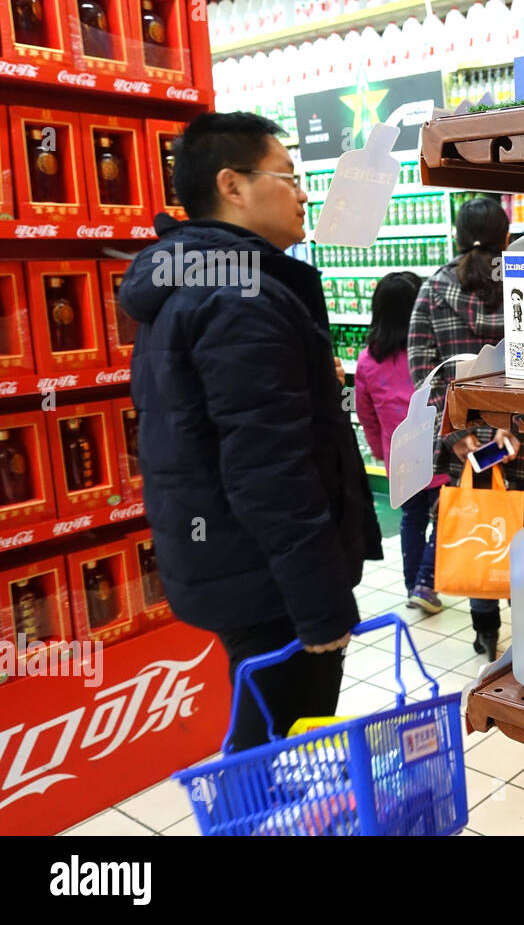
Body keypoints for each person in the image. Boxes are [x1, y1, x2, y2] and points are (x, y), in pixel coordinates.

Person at [118, 112, 382, 753]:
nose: (302, 194)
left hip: (236, 564)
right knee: (280, 743)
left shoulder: (200, 282)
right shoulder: (240, 299)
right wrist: (320, 605)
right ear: (233, 185)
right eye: (288, 177)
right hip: (267, 579)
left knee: (273, 729)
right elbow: (269, 469)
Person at [407, 198, 524, 661]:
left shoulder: (432, 290)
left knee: (480, 533)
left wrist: (458, 434)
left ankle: (485, 634)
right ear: (506, 238)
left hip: (466, 448)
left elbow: (422, 372)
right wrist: (511, 423)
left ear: (455, 233)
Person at [354, 271, 448, 614]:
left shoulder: (367, 360)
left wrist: (380, 452)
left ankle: (413, 583)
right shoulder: (429, 352)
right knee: (445, 515)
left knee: (412, 517)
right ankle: (425, 581)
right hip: (437, 449)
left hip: (400, 455)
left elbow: (366, 414)